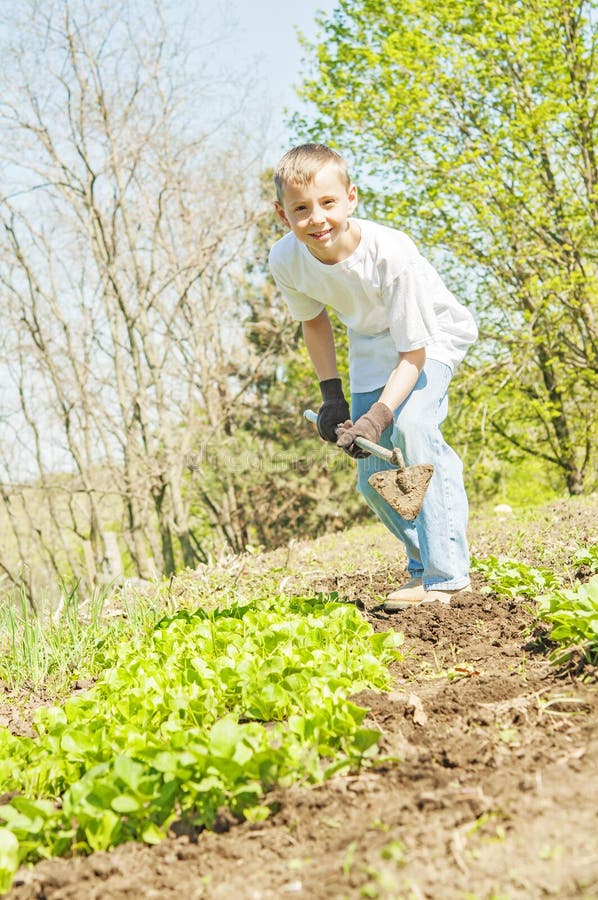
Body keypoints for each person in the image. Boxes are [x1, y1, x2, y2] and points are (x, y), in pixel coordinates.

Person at [268, 143, 478, 611]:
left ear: (351, 199)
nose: (317, 219)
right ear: (283, 216)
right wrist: (333, 401)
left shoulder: (391, 253)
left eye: (328, 203)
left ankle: (448, 577)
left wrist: (379, 415)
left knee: (415, 429)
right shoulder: (286, 260)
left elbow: (413, 351)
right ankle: (425, 564)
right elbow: (314, 320)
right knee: (371, 473)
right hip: (368, 342)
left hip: (430, 335)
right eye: (301, 209)